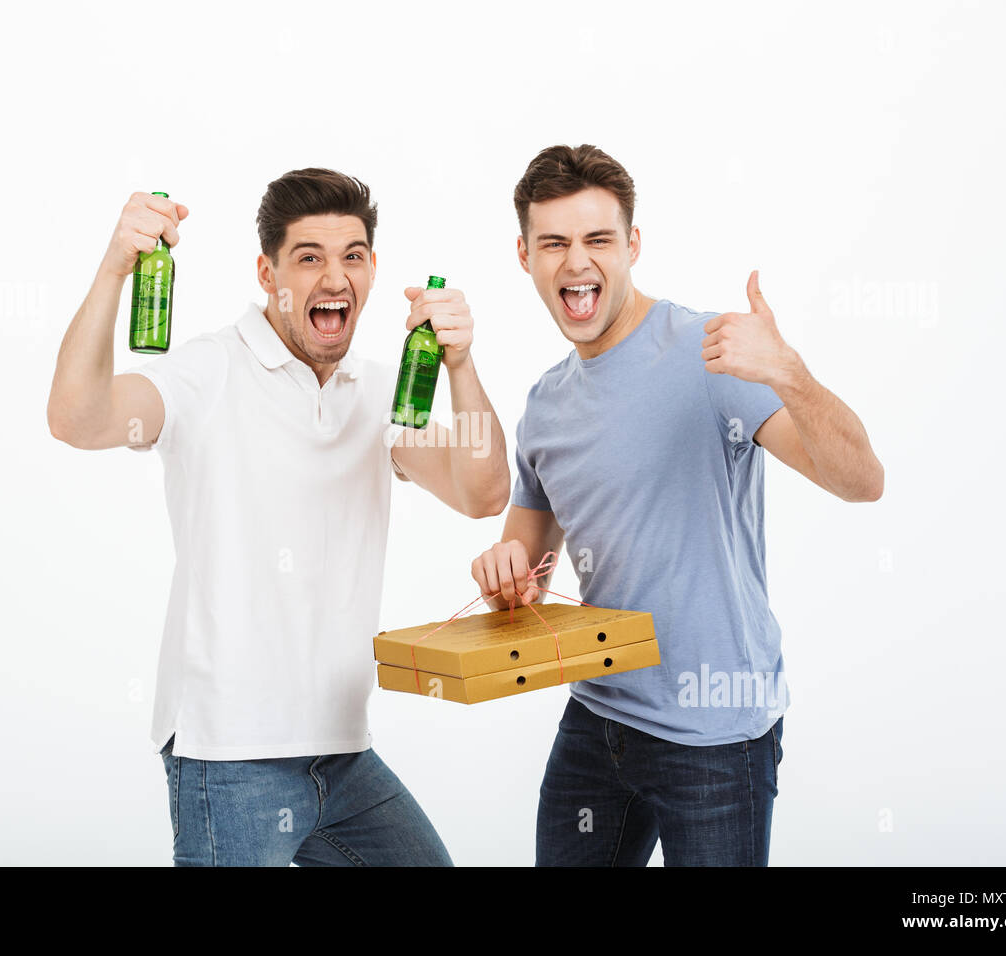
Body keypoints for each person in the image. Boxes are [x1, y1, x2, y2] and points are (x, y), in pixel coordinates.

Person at [48, 169, 510, 865]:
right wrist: (116, 268)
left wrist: (463, 365)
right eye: (309, 257)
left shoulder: (382, 391)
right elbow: (76, 419)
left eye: (352, 256)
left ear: (374, 270)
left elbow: (484, 492)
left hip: (343, 755)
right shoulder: (209, 372)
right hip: (231, 756)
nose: (334, 277)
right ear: (268, 273)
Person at [470, 144, 884, 867]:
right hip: (597, 721)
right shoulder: (545, 405)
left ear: (632, 245)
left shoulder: (713, 352)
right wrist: (506, 572)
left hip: (715, 739)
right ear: (525, 254)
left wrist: (788, 370)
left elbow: (862, 478)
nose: (576, 262)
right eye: (554, 243)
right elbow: (528, 579)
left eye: (598, 239)